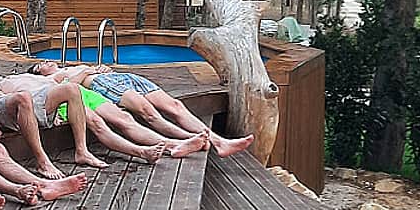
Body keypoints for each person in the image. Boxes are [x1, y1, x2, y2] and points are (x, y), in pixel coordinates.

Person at [0, 67, 207, 164]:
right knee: (97, 124)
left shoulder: (35, 74)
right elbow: (2, 108)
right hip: (56, 101)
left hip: (76, 93)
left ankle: (176, 143)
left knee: (123, 119)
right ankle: (144, 151)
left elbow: (66, 81)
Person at [30, 61, 255, 157]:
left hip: (123, 77)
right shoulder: (56, 78)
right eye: (41, 65)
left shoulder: (68, 65)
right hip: (101, 84)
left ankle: (213, 139)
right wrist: (87, 72)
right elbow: (70, 87)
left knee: (175, 105)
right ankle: (211, 141)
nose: (47, 63)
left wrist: (95, 68)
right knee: (148, 111)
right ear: (40, 72)